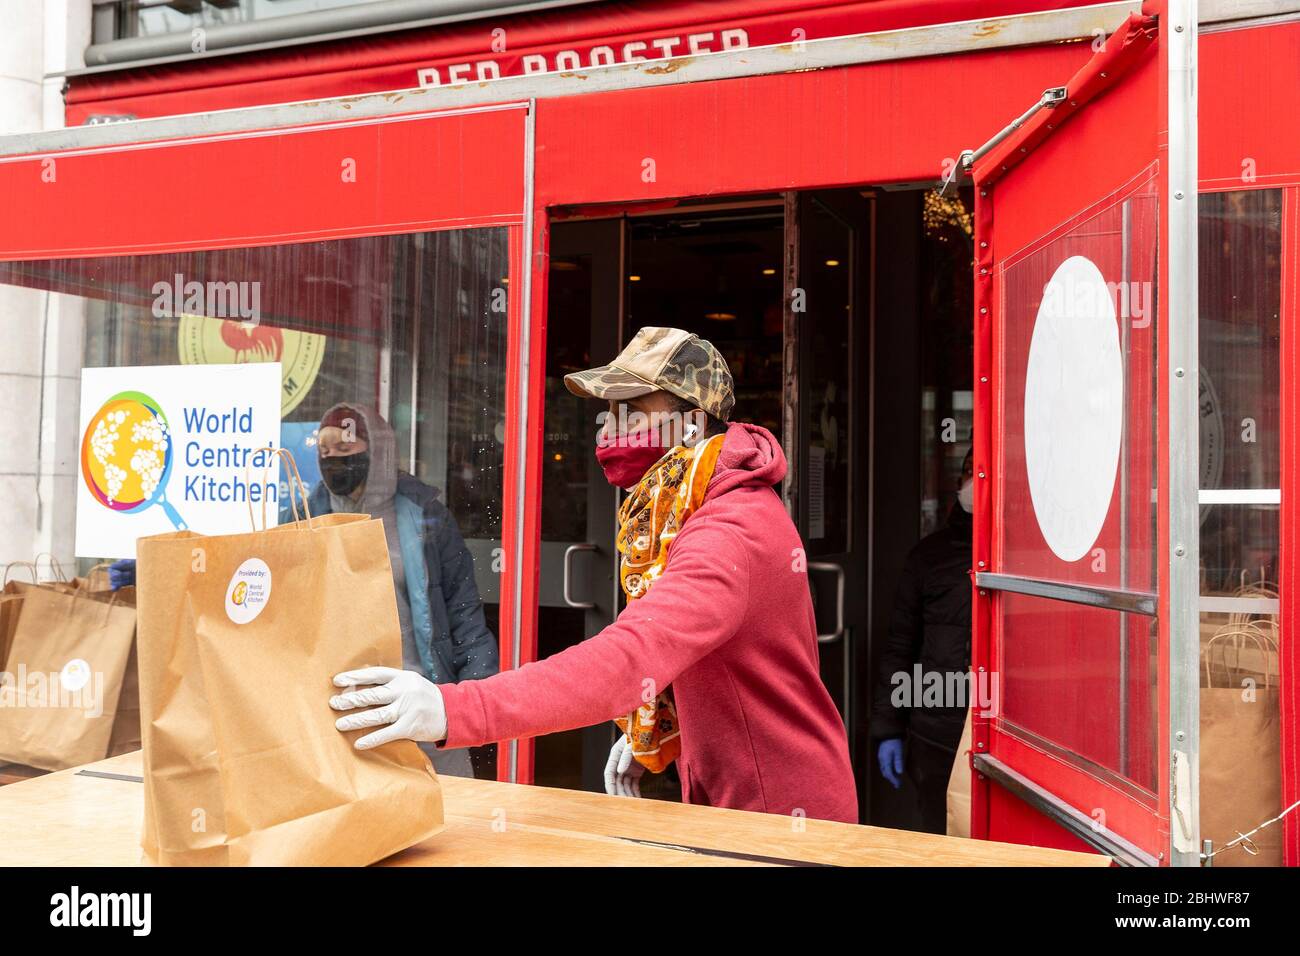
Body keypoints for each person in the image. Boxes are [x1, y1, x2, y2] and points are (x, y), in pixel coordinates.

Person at [329, 327, 858, 823]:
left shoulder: (729, 530)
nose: (610, 426)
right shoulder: (693, 505)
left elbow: (631, 657)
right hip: (747, 798)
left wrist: (451, 707)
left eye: (631, 409)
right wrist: (670, 732)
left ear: (692, 423)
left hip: (782, 813)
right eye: (608, 410)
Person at [302, 402, 499, 778]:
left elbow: (463, 610)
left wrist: (476, 699)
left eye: (345, 449)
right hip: (339, 703)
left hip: (422, 695)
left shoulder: (423, 514)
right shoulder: (305, 516)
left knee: (452, 811)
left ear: (377, 451)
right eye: (325, 452)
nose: (333, 462)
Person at [872, 447, 974, 834]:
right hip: (936, 737)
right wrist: (889, 729)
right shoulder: (928, 558)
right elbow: (901, 646)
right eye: (968, 469)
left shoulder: (1026, 559)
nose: (973, 479)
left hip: (1005, 740)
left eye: (982, 470)